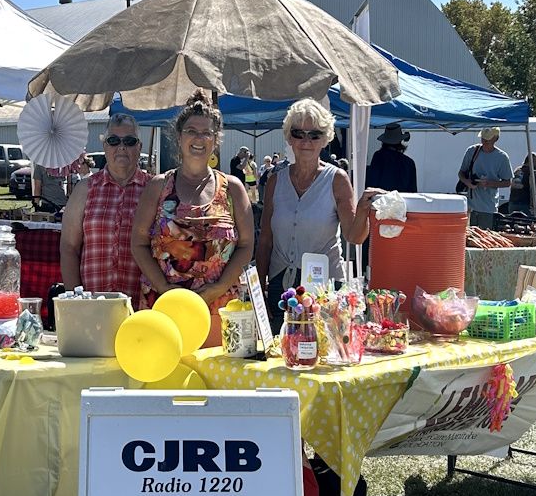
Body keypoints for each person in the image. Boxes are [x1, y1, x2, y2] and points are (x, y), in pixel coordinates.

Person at [132, 90, 254, 347]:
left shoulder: (232, 188)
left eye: (206, 133)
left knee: (219, 382)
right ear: (179, 137)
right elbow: (139, 244)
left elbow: (246, 245)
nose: (198, 138)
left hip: (221, 308)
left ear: (215, 140)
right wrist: (166, 289)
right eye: (191, 131)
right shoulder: (158, 186)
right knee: (164, 382)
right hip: (165, 308)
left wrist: (219, 287)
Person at [256, 98, 386, 331]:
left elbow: (354, 237)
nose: (306, 141)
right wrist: (260, 289)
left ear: (325, 139)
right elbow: (265, 240)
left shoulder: (337, 179)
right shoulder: (276, 180)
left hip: (323, 288)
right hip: (279, 285)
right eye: (299, 133)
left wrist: (364, 210)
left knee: (319, 353)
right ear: (289, 137)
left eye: (314, 134)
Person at [60, 113, 151, 308]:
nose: (121, 147)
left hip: (141, 307)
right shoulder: (85, 189)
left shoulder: (154, 189)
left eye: (129, 141)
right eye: (113, 141)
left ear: (139, 147)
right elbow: (69, 248)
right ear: (104, 146)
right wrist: (76, 302)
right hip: (92, 307)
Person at [458, 127, 513, 228]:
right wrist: (467, 182)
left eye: (488, 139)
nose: (485, 141)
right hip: (470, 206)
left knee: (485, 236)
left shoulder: (502, 157)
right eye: (483, 138)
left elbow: (508, 182)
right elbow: (461, 173)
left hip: (489, 207)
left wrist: (489, 183)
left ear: (496, 138)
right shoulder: (472, 151)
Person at [367, 122, 417, 193]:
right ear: (400, 141)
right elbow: (413, 191)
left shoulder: (378, 157)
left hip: (381, 201)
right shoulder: (409, 162)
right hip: (402, 201)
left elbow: (372, 184)